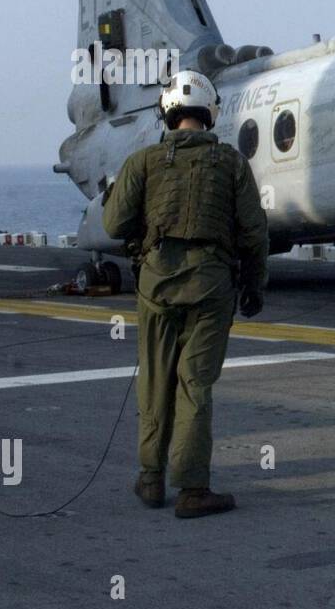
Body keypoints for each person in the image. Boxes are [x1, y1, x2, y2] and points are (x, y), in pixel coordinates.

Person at [103, 69, 269, 518]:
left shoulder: (143, 162)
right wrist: (254, 286)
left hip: (156, 286)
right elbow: (254, 233)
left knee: (155, 382)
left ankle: (151, 479)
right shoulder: (232, 163)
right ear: (210, 113)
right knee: (194, 385)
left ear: (168, 112)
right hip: (211, 288)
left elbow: (113, 224)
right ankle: (193, 490)